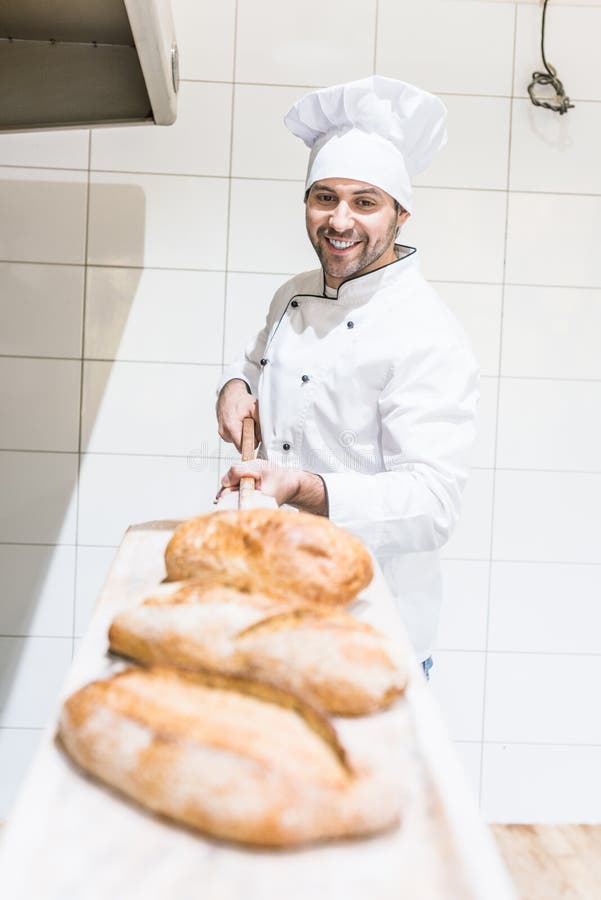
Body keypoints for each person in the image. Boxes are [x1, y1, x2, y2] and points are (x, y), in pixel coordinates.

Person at [215, 76, 479, 677]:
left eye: (365, 202)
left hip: (371, 628)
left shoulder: (426, 332)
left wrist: (299, 487)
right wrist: (234, 386)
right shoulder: (294, 293)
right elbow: (256, 363)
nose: (340, 220)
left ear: (400, 215)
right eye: (324, 197)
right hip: (277, 599)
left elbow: (433, 503)